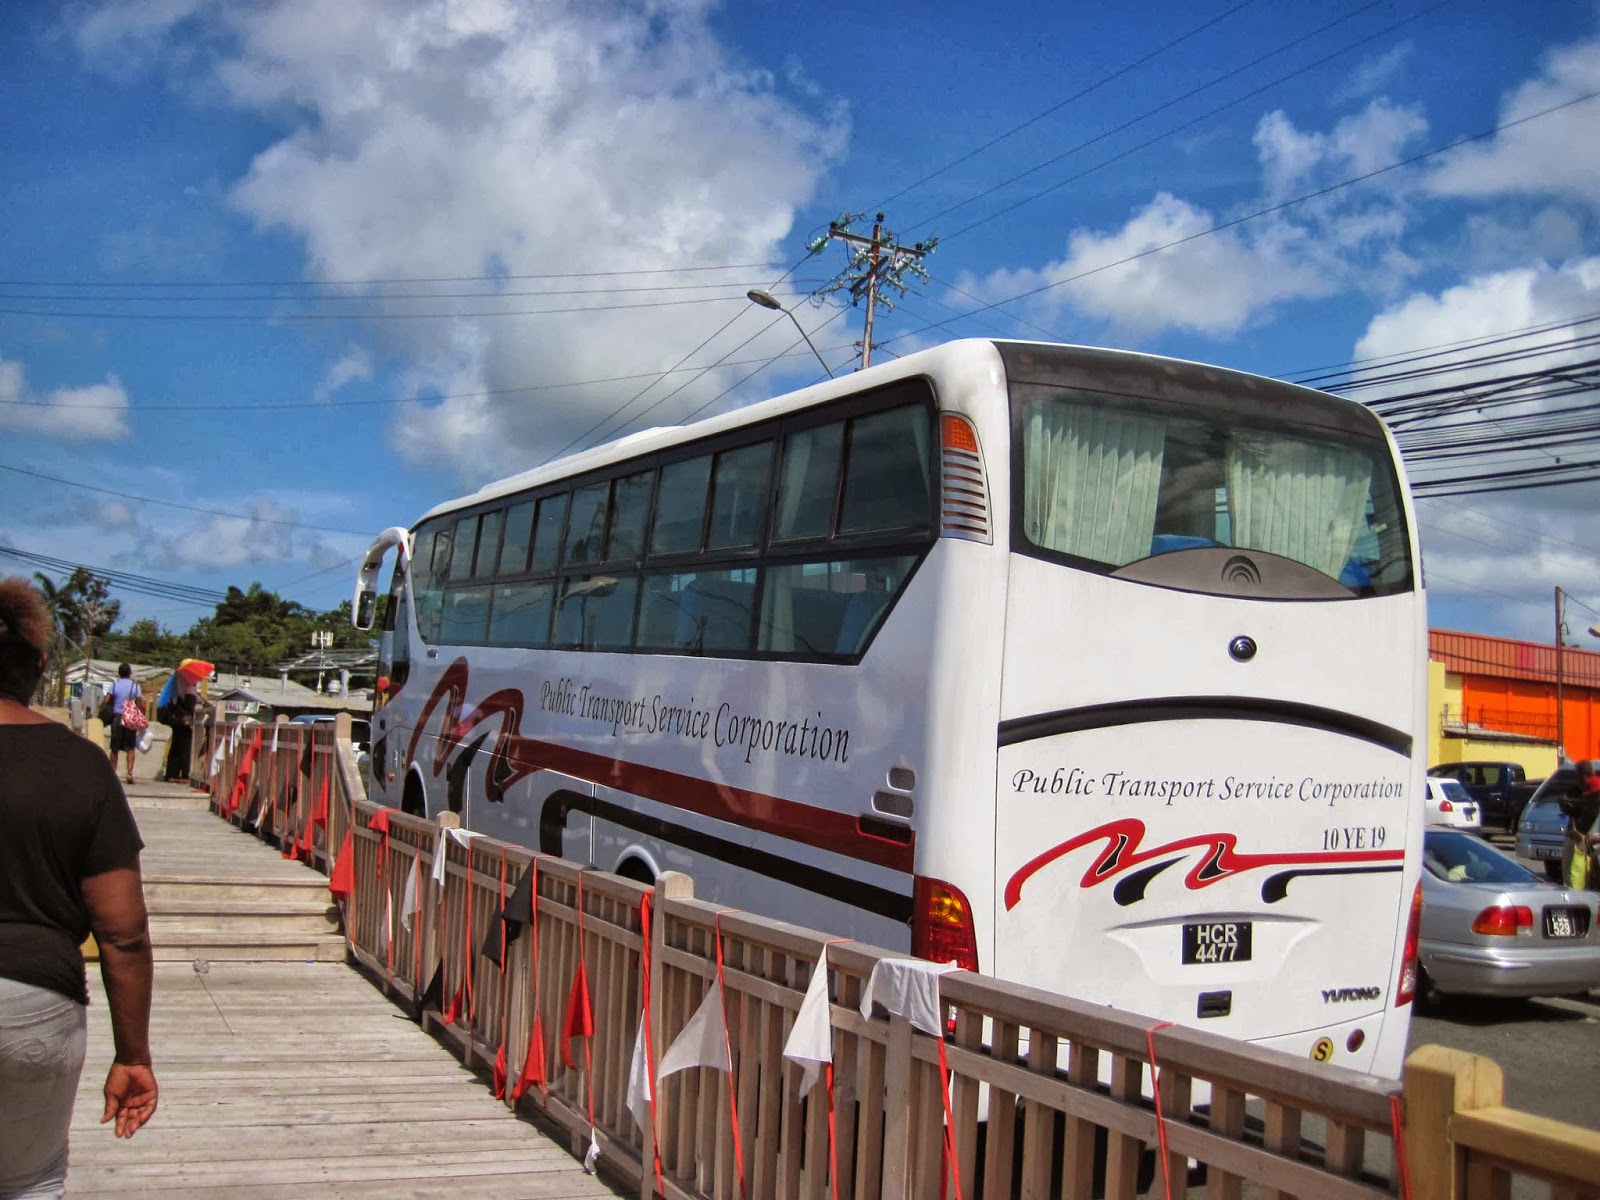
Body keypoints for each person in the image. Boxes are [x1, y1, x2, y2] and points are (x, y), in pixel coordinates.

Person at [0, 578, 158, 1196]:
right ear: (40, 667)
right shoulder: (79, 765)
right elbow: (123, 932)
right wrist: (134, 1056)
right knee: (29, 1182)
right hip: (35, 1004)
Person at [1559, 759, 1600, 891]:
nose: (1577, 780)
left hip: (1592, 848)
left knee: (1589, 886)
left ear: (1585, 775)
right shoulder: (1579, 792)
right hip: (1581, 845)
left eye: (1578, 776)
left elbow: (1587, 816)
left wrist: (1590, 838)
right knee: (1573, 880)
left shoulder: (1596, 794)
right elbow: (1579, 816)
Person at [157, 669, 198, 784]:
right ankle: (184, 774)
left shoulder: (177, 685)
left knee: (175, 747)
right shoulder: (190, 689)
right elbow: (190, 708)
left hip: (176, 722)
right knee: (185, 749)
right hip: (185, 723)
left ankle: (171, 774)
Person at [105, 662, 142, 785]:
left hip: (117, 717)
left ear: (119, 673)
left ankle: (112, 774)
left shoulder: (115, 684)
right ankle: (130, 773)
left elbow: (106, 700)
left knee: (114, 748)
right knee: (130, 747)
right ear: (130, 673)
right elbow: (140, 703)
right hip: (129, 717)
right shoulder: (135, 686)